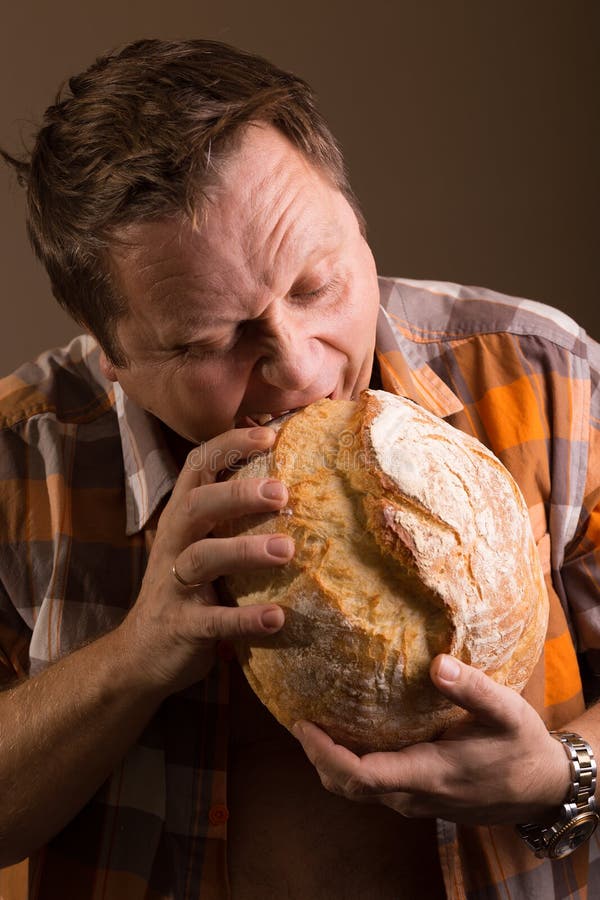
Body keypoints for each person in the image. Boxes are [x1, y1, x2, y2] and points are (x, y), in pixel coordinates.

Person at [0, 38, 598, 900]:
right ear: (113, 359)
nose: (301, 369)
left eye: (318, 285)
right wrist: (133, 657)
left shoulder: (548, 381)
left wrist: (563, 776)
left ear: (356, 225)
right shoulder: (24, 464)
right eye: (212, 343)